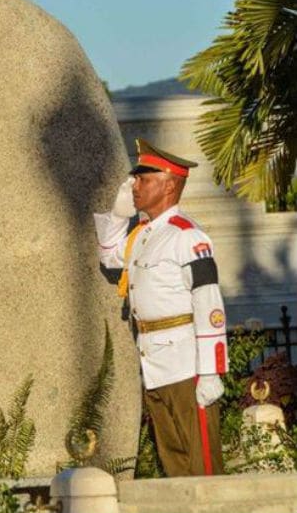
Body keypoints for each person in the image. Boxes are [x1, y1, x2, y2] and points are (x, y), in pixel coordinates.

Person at [94, 139, 229, 476]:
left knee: (202, 468)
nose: (134, 186)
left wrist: (211, 370)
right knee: (174, 466)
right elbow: (108, 255)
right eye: (134, 180)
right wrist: (117, 215)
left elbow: (208, 302)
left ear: (169, 184)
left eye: (143, 179)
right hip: (154, 362)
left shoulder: (188, 236)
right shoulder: (142, 234)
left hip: (187, 365)